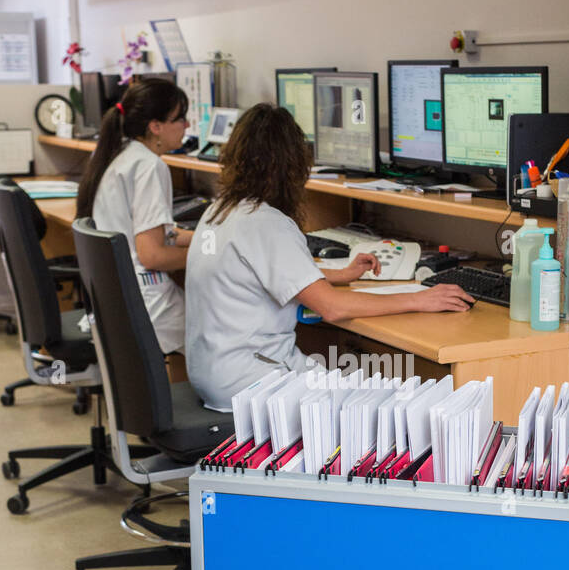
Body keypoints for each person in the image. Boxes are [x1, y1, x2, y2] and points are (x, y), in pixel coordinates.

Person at [185, 103, 473, 410]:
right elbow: (332, 308)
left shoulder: (221, 210)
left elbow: (254, 273)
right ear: (292, 165)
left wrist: (339, 274)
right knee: (374, 403)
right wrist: (419, 299)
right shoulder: (266, 222)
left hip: (213, 373)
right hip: (253, 381)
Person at [75, 79, 192, 356]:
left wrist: (203, 237)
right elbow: (152, 255)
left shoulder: (117, 154)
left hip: (116, 300)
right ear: (156, 127)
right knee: (224, 331)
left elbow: (142, 230)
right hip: (148, 304)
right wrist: (206, 254)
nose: (187, 126)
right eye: (181, 118)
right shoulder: (149, 166)